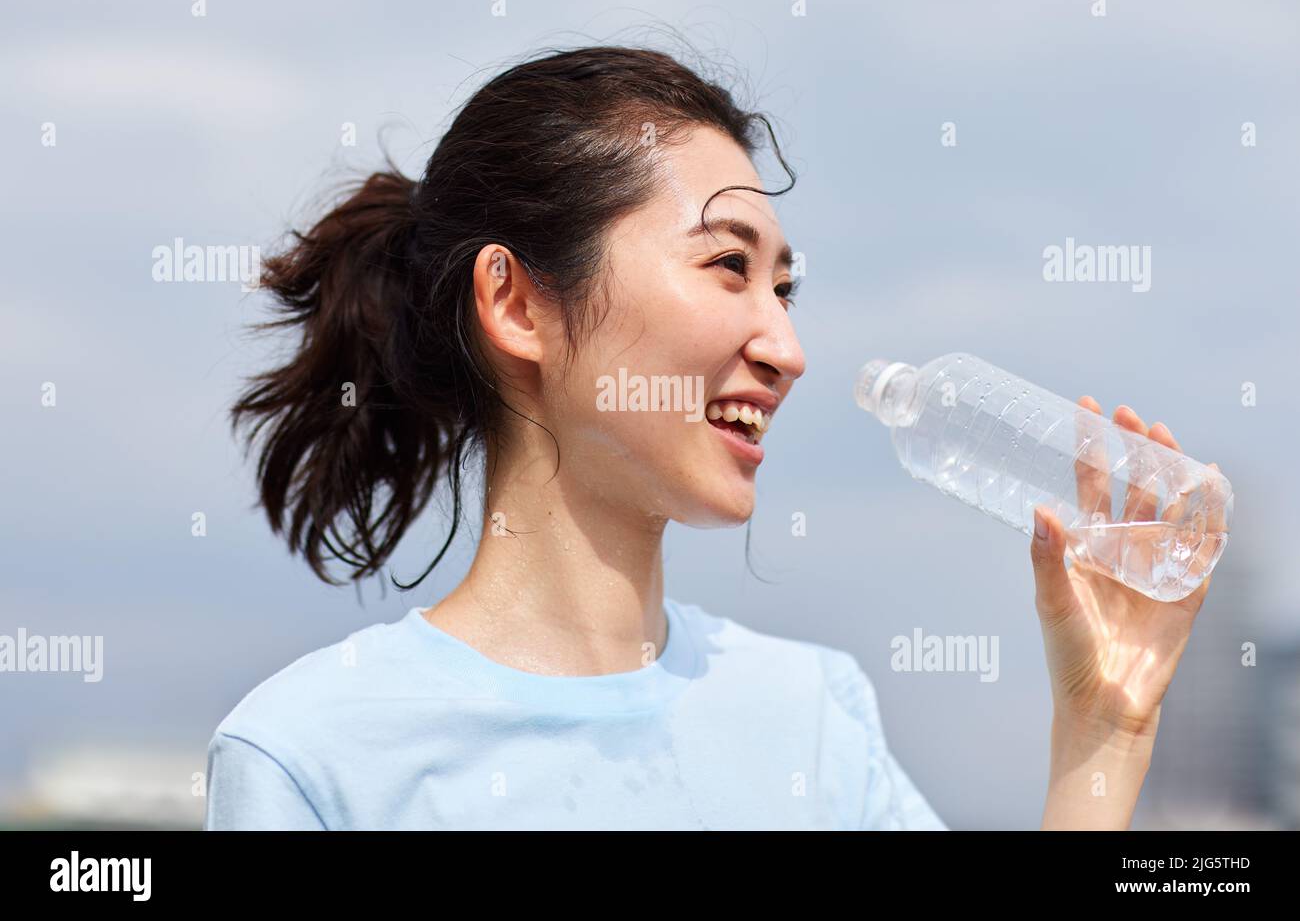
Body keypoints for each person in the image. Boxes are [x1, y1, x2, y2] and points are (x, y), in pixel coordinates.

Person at [204, 44, 1215, 830]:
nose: (785, 347)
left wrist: (1106, 731)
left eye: (785, 288)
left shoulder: (813, 719)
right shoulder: (314, 755)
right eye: (728, 267)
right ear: (516, 304)